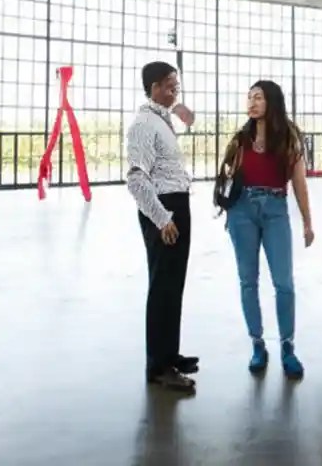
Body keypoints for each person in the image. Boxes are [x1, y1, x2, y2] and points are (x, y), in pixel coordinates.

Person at [216, 79, 314, 379]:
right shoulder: (240, 138)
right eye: (249, 98)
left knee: (284, 282)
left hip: (275, 210)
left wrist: (308, 221)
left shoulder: (289, 136)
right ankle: (258, 344)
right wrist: (228, 208)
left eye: (258, 97)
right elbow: (227, 177)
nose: (252, 103)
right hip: (242, 211)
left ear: (271, 101)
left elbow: (299, 182)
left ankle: (287, 346)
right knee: (248, 280)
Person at [126, 61, 198, 393]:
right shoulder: (143, 124)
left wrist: (178, 107)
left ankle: (169, 353)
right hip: (164, 210)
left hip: (176, 205)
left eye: (177, 86)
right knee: (162, 288)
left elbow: (179, 113)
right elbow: (137, 179)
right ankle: (158, 366)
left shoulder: (160, 118)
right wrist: (162, 218)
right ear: (154, 87)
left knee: (174, 286)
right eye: (170, 87)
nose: (175, 92)